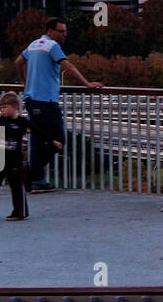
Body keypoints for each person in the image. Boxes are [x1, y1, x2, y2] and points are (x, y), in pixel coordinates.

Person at [16, 17, 103, 193]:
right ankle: (33, 172)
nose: (65, 35)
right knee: (59, 140)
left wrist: (26, 82)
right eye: (61, 31)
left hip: (31, 99)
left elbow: (18, 62)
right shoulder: (51, 46)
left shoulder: (33, 45)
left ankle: (36, 180)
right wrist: (86, 84)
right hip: (46, 100)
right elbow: (68, 66)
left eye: (65, 32)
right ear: (50, 31)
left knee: (37, 139)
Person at [0, 92, 60, 221]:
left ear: (15, 106)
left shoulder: (23, 121)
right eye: (1, 108)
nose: (2, 110)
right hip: (0, 158)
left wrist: (53, 141)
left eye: (5, 107)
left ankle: (20, 212)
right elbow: (7, 131)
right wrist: (21, 130)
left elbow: (37, 131)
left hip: (15, 159)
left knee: (17, 186)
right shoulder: (3, 120)